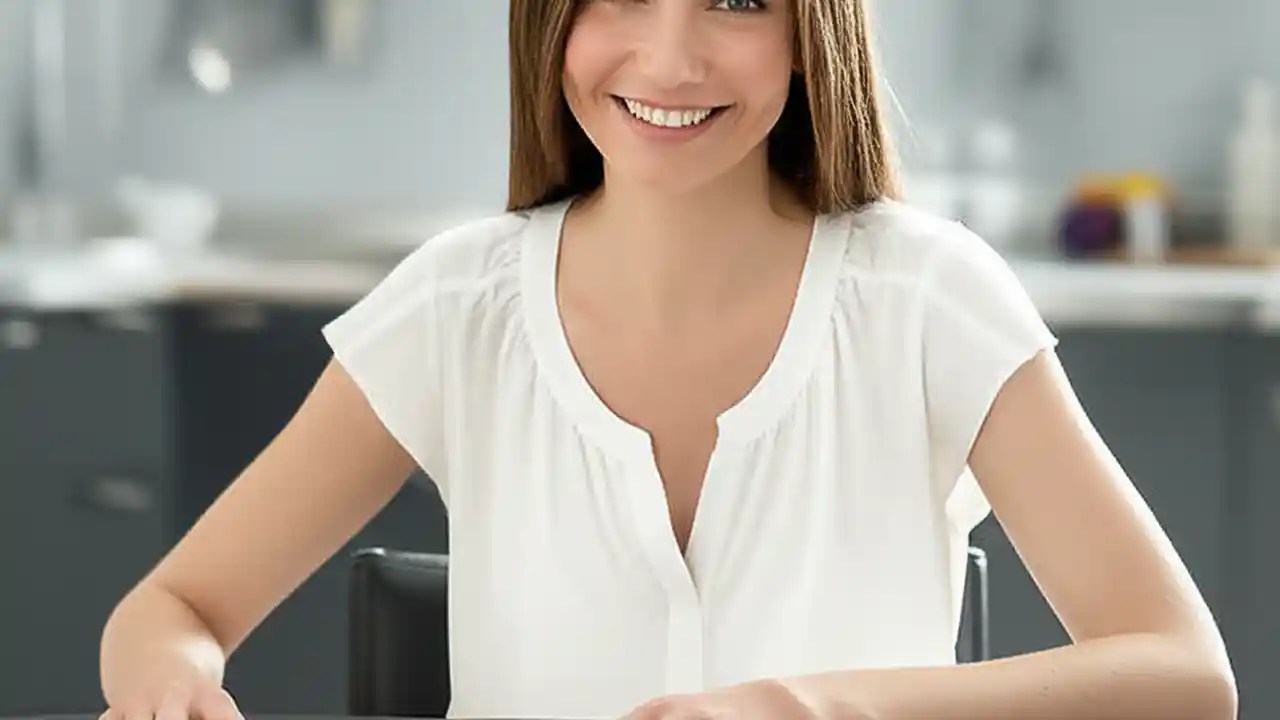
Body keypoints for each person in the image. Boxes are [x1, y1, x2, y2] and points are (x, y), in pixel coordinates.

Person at [99, 0, 1237, 718]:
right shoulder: (458, 305)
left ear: (809, 30)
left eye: (737, 1)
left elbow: (1181, 675)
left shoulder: (928, 299)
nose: (671, 52)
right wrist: (168, 681)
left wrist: (806, 708)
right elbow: (179, 602)